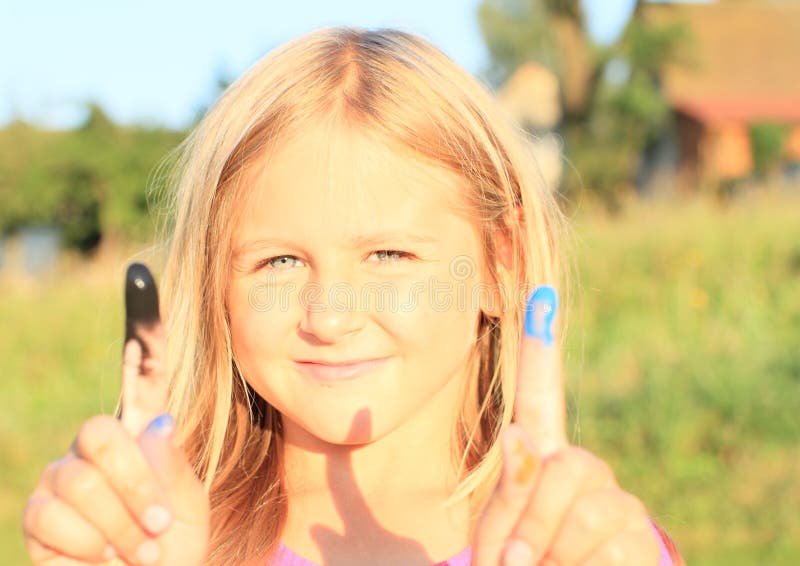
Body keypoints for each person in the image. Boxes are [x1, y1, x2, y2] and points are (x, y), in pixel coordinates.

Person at [22, 27, 683, 566]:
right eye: (278, 261)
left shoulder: (588, 544)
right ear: (214, 282)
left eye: (389, 256)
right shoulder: (154, 534)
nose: (330, 316)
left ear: (500, 264)